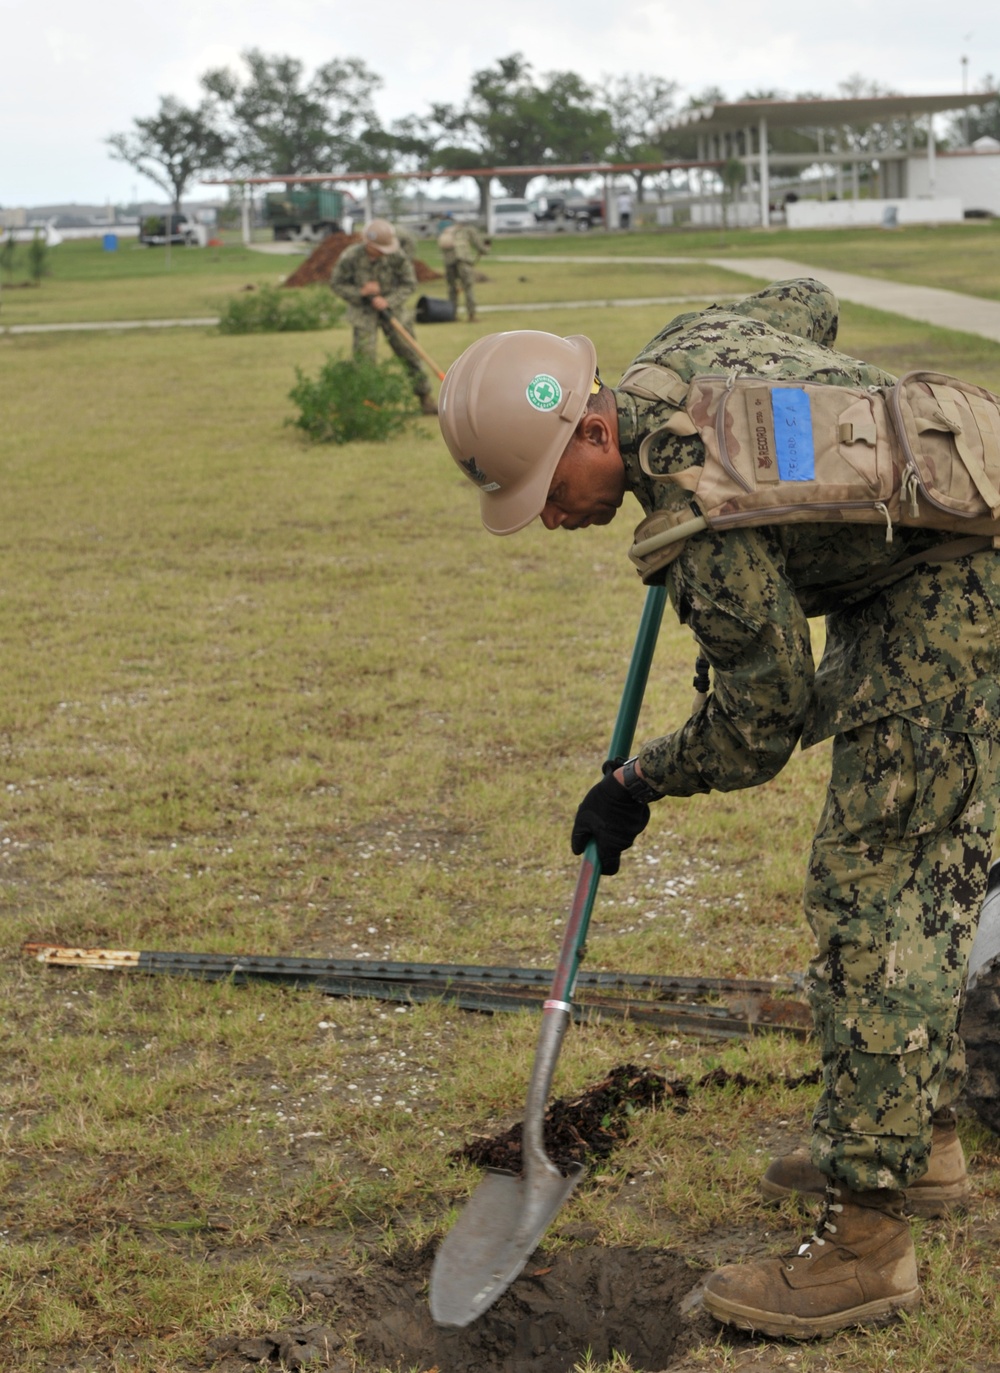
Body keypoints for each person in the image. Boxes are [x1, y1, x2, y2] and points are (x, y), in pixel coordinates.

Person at [437, 279, 1000, 1340]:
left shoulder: (702, 525)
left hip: (954, 604)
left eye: (548, 490)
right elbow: (807, 304)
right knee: (898, 893)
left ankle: (866, 1243)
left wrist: (634, 782)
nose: (550, 517)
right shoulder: (682, 346)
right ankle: (918, 1142)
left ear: (593, 427)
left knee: (877, 906)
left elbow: (761, 721)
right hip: (925, 569)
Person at [330, 218, 437, 415]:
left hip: (393, 312)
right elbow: (337, 284)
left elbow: (409, 284)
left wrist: (388, 301)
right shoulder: (351, 257)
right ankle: (368, 404)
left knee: (409, 354)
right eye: (379, 249)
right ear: (368, 244)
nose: (383, 252)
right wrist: (360, 292)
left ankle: (425, 398)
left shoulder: (397, 256)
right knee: (364, 359)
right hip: (363, 313)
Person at [437, 215, 490, 322]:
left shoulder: (448, 231)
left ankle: (452, 315)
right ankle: (471, 315)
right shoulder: (468, 230)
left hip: (449, 262)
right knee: (468, 287)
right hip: (463, 261)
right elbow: (478, 245)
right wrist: (485, 250)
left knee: (452, 289)